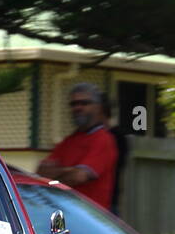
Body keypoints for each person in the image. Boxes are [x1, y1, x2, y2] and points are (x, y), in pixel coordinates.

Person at [37, 82, 118, 210]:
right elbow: (41, 172)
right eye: (74, 104)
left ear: (98, 107)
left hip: (90, 218)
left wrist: (57, 174)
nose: (78, 108)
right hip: (66, 215)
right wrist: (70, 170)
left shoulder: (103, 140)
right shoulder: (69, 141)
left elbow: (79, 177)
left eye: (84, 103)